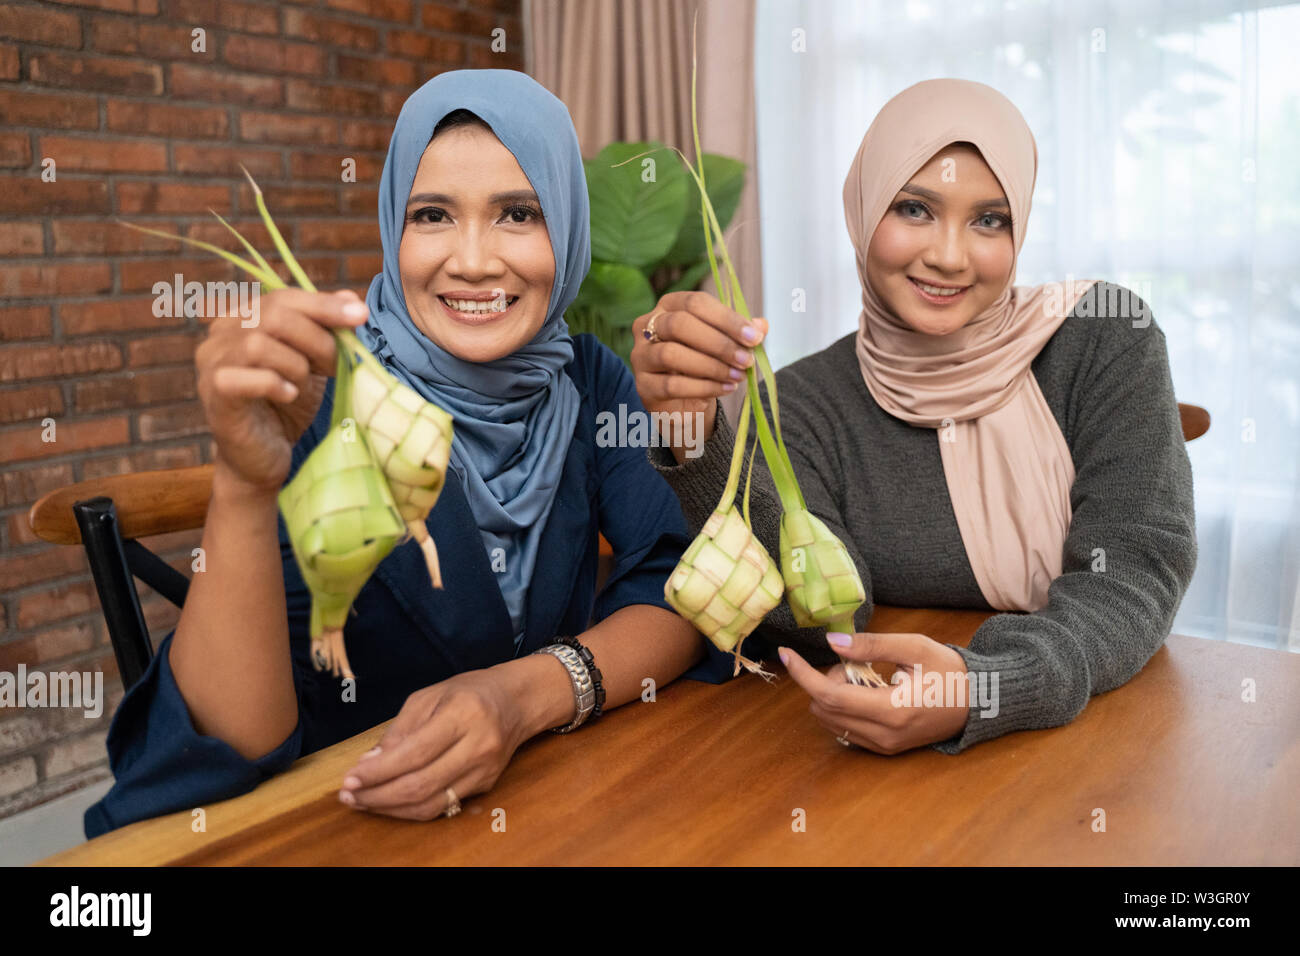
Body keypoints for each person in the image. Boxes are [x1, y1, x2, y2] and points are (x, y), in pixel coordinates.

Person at [85, 69, 733, 838]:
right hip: (342, 829)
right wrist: (243, 484)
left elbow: (675, 587)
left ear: (567, 224)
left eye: (518, 214)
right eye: (432, 215)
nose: (472, 261)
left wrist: (522, 696)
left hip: (540, 812)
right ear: (395, 223)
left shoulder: (586, 379)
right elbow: (229, 747)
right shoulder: (322, 387)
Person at [632, 78, 1196, 755]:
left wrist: (988, 686)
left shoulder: (1105, 336)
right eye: (914, 209)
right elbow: (820, 620)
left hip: (1108, 729)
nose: (950, 256)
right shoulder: (805, 402)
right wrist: (691, 435)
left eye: (990, 219)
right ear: (863, 212)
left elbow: (1134, 573)